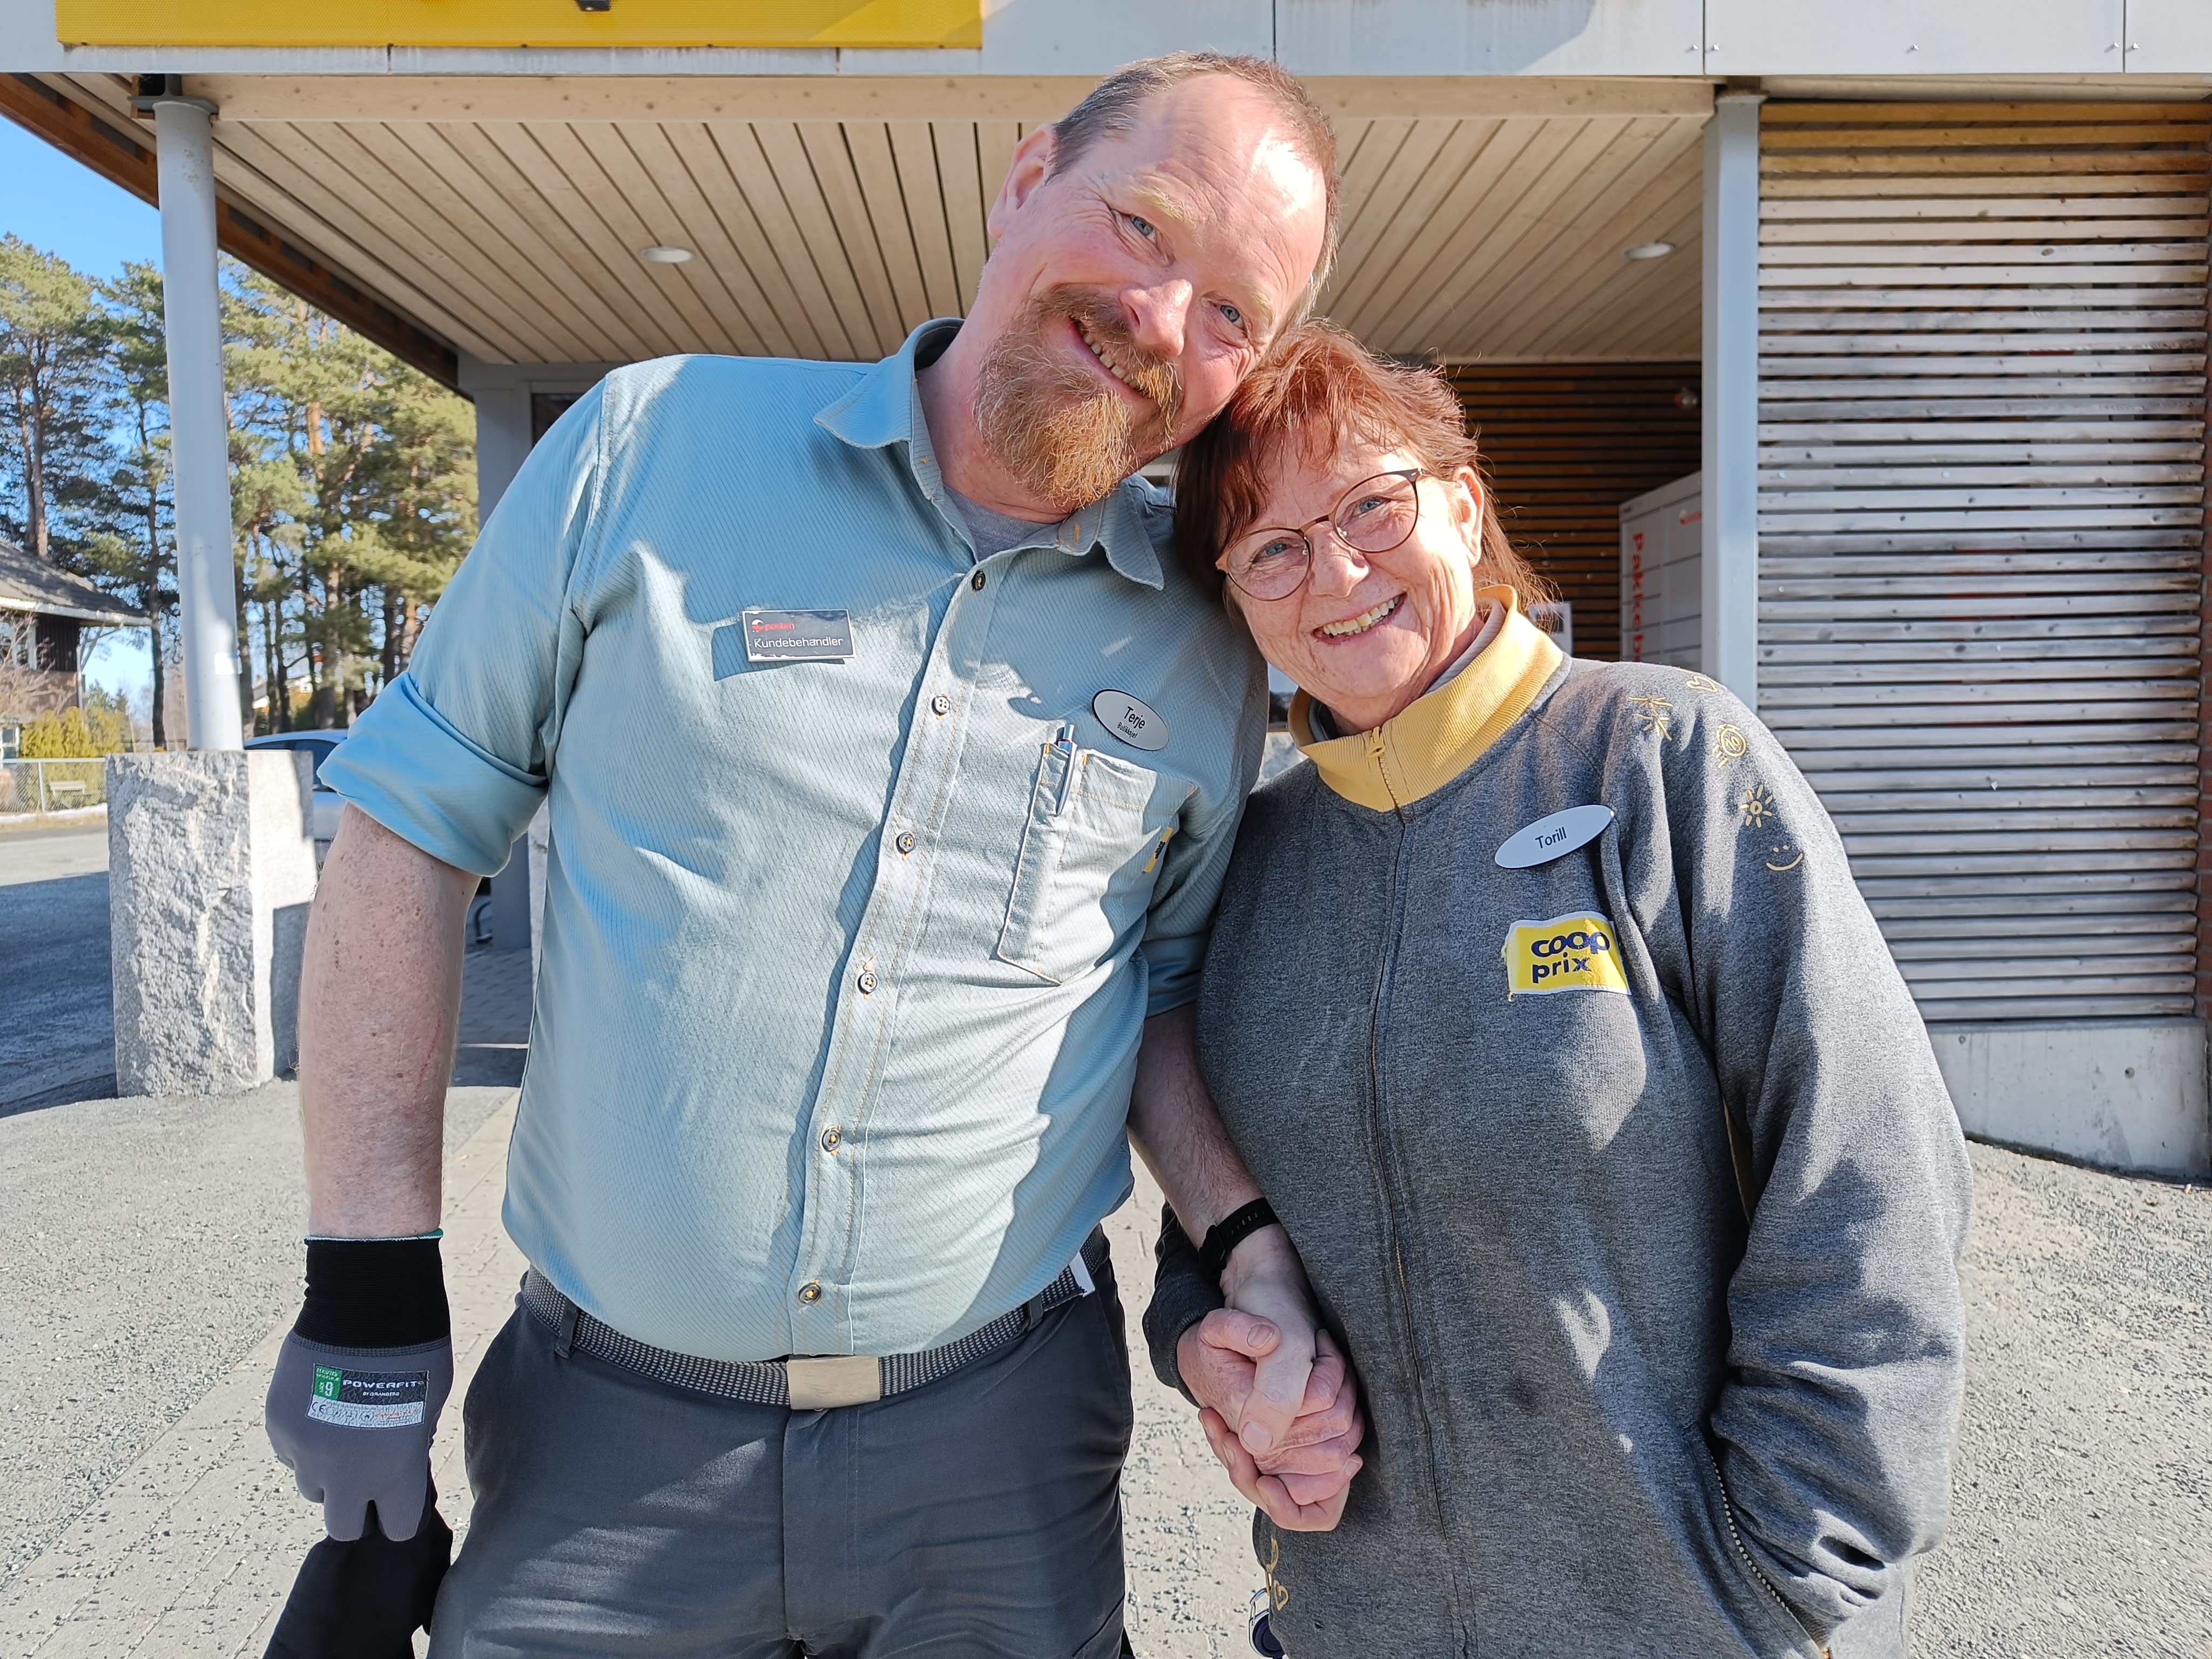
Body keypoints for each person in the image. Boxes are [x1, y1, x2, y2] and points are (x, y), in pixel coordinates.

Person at [265, 54, 1347, 1657]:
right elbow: (409, 830)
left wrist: (1243, 1243)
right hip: (598, 1449)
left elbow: (1160, 998)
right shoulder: (651, 444)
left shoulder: (1203, 643)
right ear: (1022, 177)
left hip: (1000, 1456)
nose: (1161, 317)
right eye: (1140, 224)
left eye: (1233, 314)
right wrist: (367, 1282)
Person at [1143, 323, 1973, 1657]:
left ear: (1463, 506)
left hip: (1696, 1623)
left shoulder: (1660, 758)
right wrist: (1210, 1346)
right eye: (1271, 548)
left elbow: (1866, 1169)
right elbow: (1220, 1231)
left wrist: (1791, 1569)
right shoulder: (1260, 862)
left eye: (1371, 505)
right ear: (1238, 601)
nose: (1337, 572)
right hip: (1360, 1626)